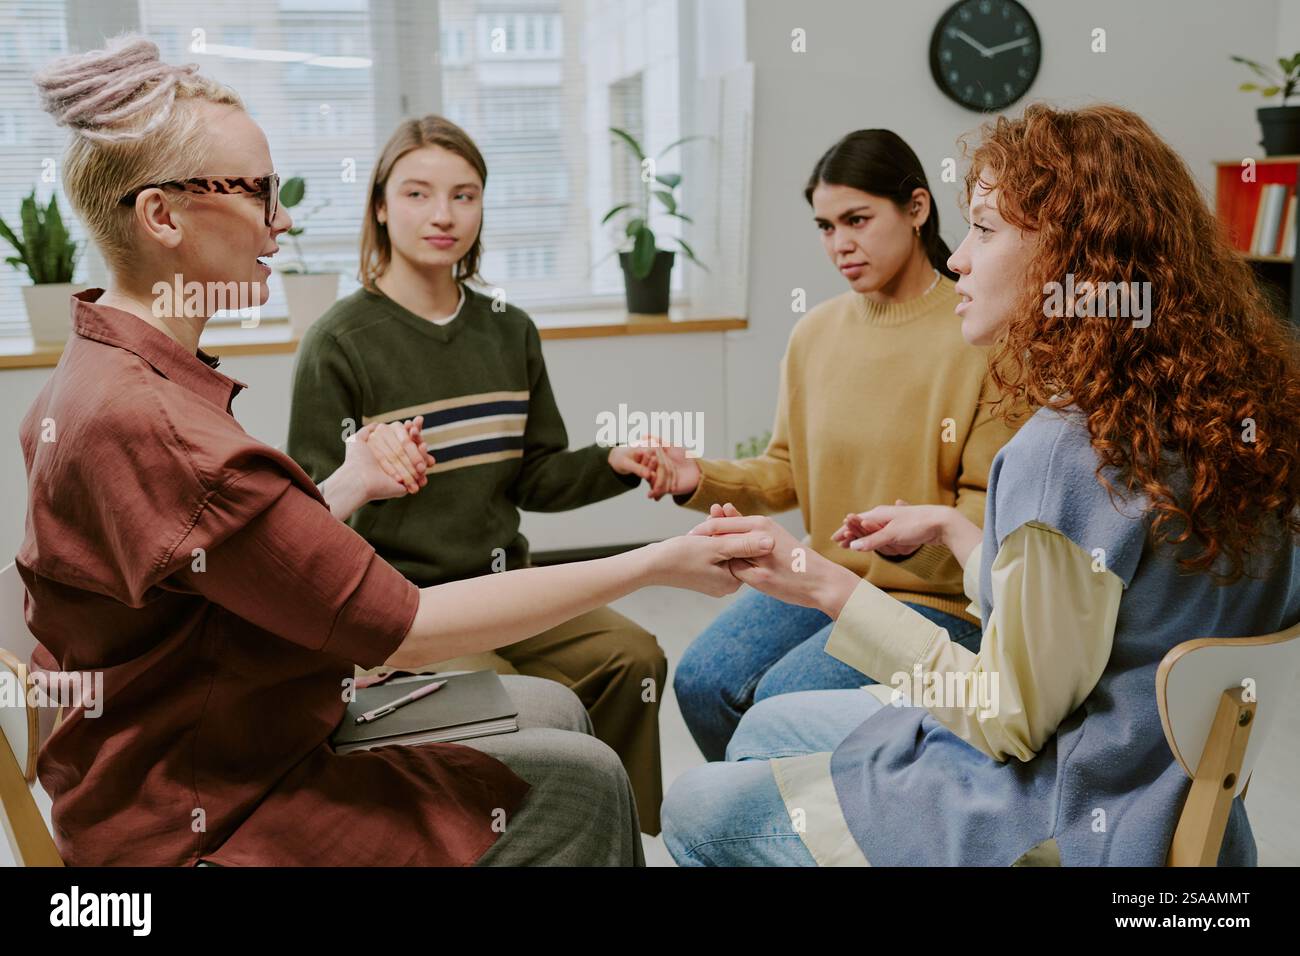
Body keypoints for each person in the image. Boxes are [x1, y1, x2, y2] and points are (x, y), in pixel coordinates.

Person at [19, 34, 774, 868]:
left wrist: (346, 486)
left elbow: (236, 547)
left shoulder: (106, 371)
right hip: (203, 802)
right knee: (583, 778)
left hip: (218, 739)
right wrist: (656, 561)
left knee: (559, 714)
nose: (283, 218)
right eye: (259, 192)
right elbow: (403, 626)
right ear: (161, 216)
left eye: (465, 194)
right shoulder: (161, 418)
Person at [660, 103, 1300, 866]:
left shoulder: (1067, 451)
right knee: (766, 726)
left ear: (1073, 257)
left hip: (1065, 811)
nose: (959, 258)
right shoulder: (1235, 411)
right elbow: (1091, 614)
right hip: (1154, 786)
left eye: (986, 231)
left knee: (693, 808)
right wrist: (957, 532)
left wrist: (826, 587)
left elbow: (1004, 720)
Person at [286, 115, 669, 834]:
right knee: (510, 697)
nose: (443, 215)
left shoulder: (508, 327)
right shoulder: (337, 342)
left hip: (507, 581)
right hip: (411, 607)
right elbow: (307, 518)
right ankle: (524, 835)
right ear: (379, 205)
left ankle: (609, 834)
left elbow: (536, 477)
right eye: (418, 193)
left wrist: (612, 463)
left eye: (464, 196)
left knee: (633, 657)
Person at [644, 129, 1019, 760]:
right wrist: (694, 478)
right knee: (703, 681)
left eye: (857, 220)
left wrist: (902, 543)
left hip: (938, 603)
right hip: (819, 577)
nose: (839, 244)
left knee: (781, 705)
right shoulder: (815, 333)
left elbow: (990, 516)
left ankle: (808, 829)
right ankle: (768, 833)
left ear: (917, 209)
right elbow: (786, 468)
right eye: (824, 226)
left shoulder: (979, 333)